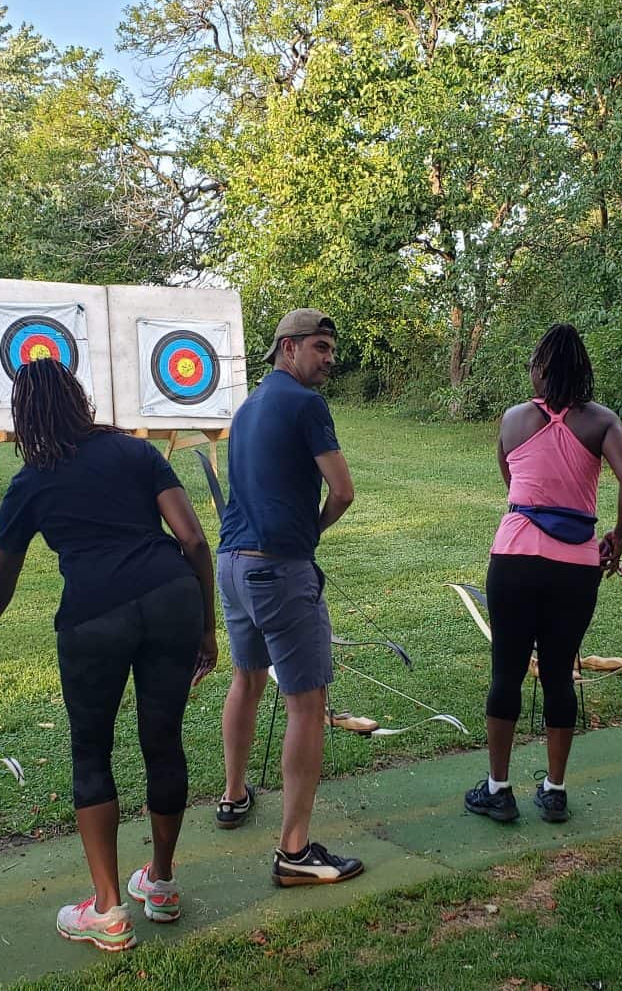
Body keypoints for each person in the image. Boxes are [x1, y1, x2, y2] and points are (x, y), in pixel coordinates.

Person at [0, 359, 218, 951]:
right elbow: (193, 540)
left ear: (23, 417)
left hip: (94, 618)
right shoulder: (135, 452)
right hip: (172, 598)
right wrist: (207, 628)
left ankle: (108, 909)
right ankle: (162, 883)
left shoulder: (31, 482)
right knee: (163, 740)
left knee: (91, 751)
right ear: (79, 399)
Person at [463, 324, 622, 825]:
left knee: (507, 672)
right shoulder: (601, 420)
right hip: (576, 565)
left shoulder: (513, 418)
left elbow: (512, 483)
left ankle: (498, 788)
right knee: (560, 673)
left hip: (515, 558)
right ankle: (555, 789)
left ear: (540, 370)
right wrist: (618, 533)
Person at [215, 308, 363, 886]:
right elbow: (343, 491)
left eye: (330, 348)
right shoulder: (306, 404)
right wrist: (310, 534)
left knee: (247, 679)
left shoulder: (247, 407)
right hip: (278, 569)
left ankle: (233, 795)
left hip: (233, 566)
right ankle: (295, 852)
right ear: (288, 347)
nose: (329, 358)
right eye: (320, 347)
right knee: (307, 704)